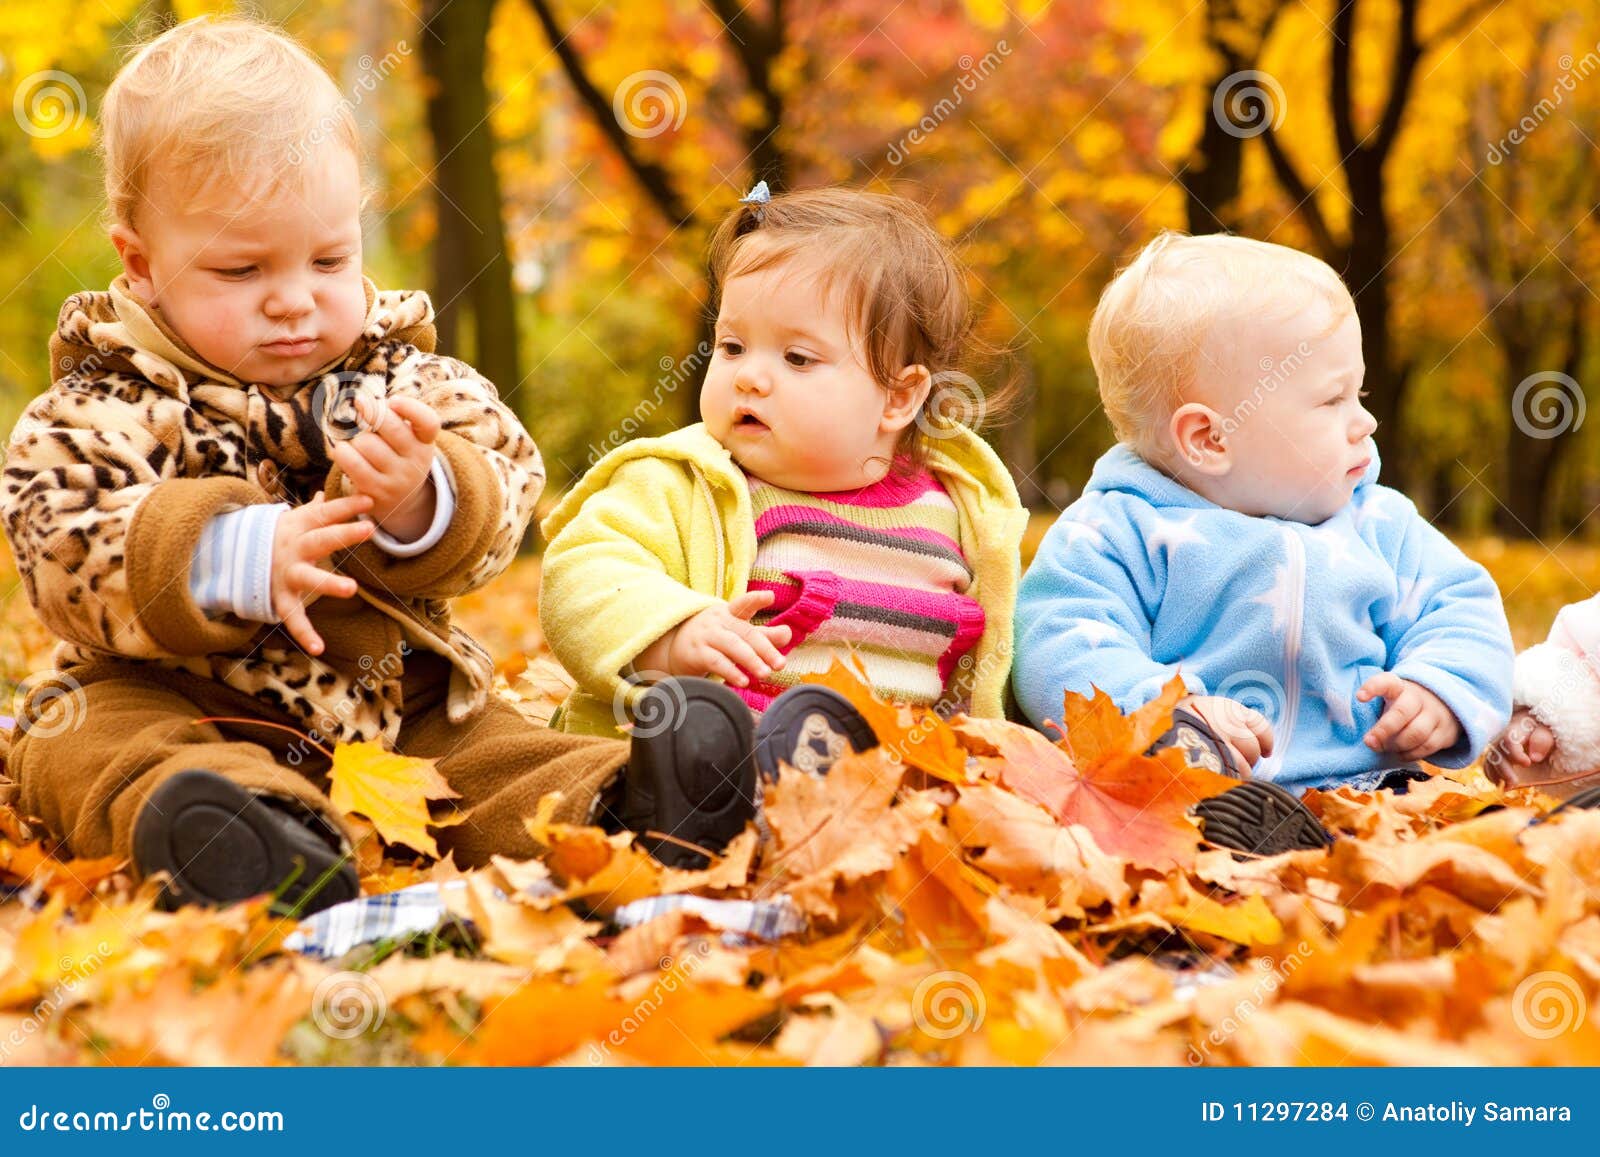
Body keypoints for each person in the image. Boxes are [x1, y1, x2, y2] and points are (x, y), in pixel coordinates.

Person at [538, 184, 1027, 866]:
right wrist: (672, 633)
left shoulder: (957, 513)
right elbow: (580, 569)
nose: (750, 378)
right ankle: (681, 820)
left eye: (796, 359)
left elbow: (983, 667)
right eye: (733, 347)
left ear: (899, 396)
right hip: (724, 770)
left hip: (888, 799)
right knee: (692, 743)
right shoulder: (688, 484)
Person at [1012, 231, 1514, 854]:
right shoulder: (1121, 531)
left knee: (1479, 832)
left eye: (1358, 393)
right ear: (1210, 440)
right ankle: (1238, 835)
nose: (1366, 421)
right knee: (1189, 813)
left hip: (1376, 785)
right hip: (1206, 793)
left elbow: (1461, 606)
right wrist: (1167, 713)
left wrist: (1439, 687)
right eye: (1332, 400)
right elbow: (1058, 636)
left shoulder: (1380, 524)